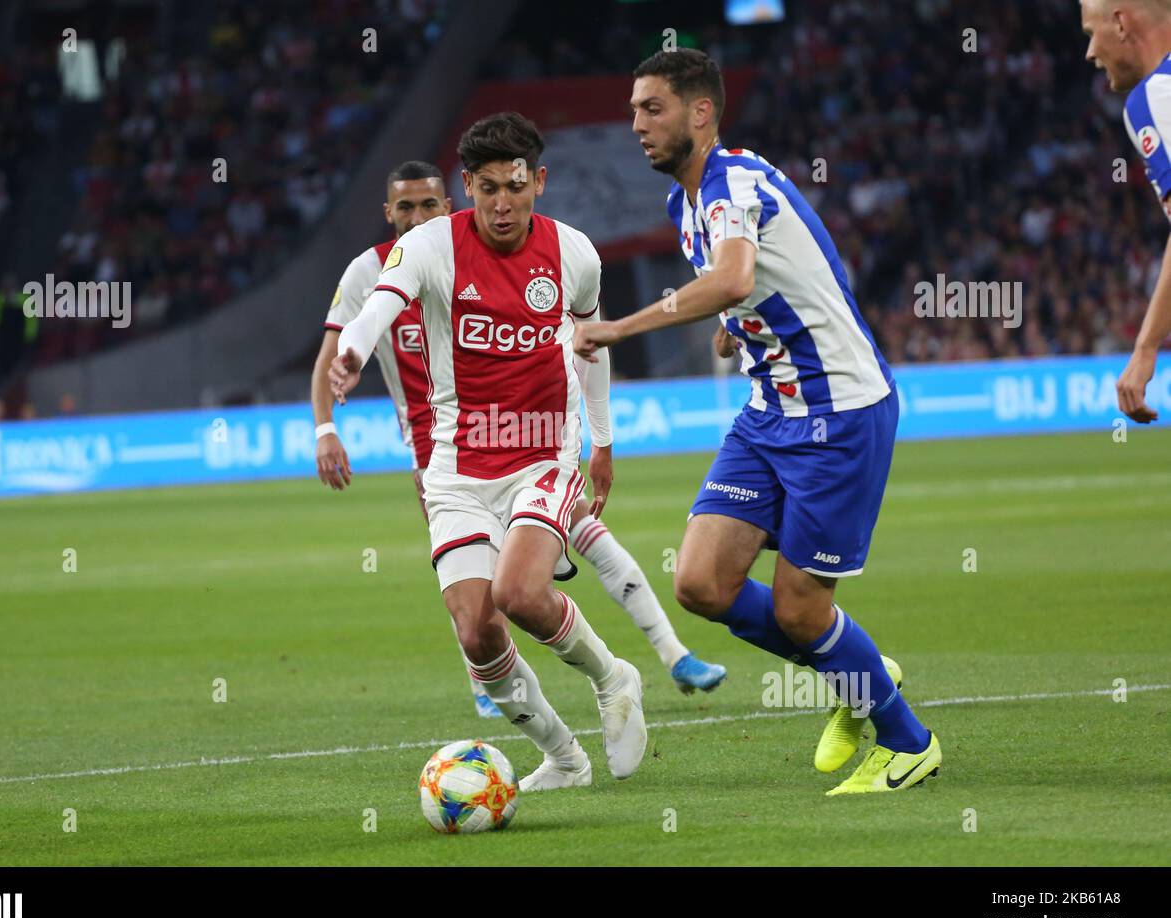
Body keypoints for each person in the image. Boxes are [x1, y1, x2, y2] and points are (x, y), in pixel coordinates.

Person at [575, 50, 938, 795]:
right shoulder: (687, 202)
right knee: (702, 582)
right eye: (634, 109)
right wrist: (739, 326)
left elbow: (735, 276)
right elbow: (783, 274)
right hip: (769, 412)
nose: (636, 124)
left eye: (653, 108)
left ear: (700, 112)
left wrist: (621, 329)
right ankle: (856, 668)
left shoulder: (731, 182)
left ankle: (907, 742)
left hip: (836, 413)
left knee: (803, 610)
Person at [330, 113, 647, 791]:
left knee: (520, 592)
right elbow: (382, 302)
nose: (503, 204)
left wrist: (603, 440)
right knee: (477, 631)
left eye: (516, 186)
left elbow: (592, 352)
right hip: (456, 467)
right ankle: (564, 758)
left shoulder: (576, 255)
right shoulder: (428, 246)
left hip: (543, 454)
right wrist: (353, 350)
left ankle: (613, 679)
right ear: (466, 185)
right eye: (488, 189)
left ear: (539, 181)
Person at [1081, 0, 1171, 422]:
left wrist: (1145, 349)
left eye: (1090, 33)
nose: (1090, 52)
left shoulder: (1154, 98)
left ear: (1120, 22)